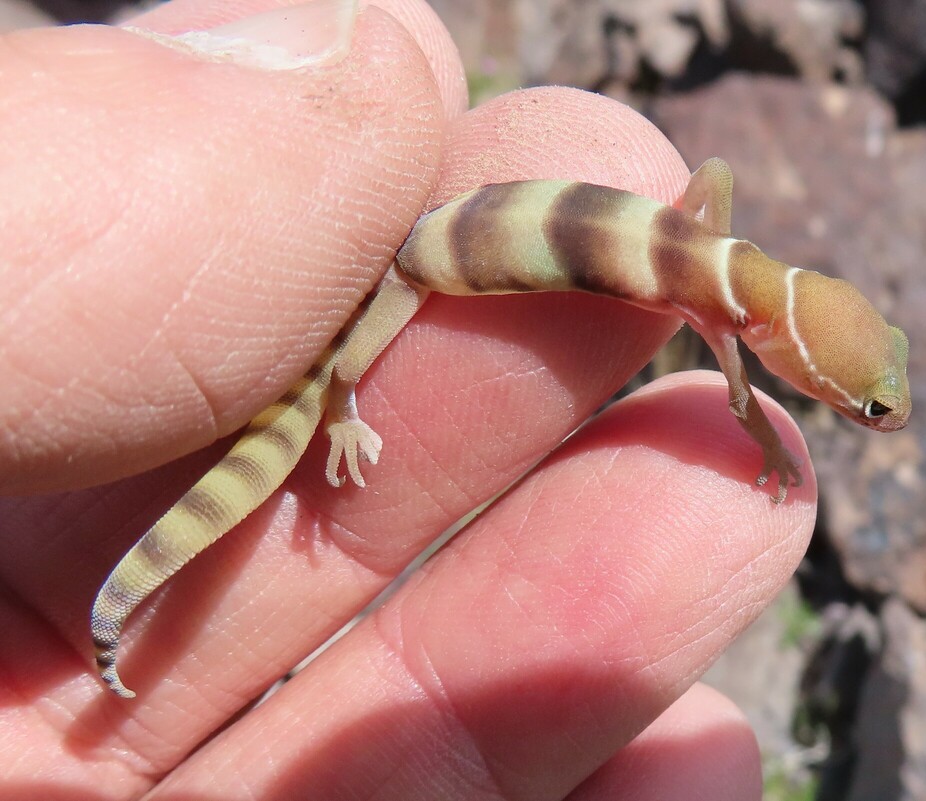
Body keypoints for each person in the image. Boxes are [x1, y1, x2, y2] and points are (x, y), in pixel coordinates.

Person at [0, 1, 814, 797]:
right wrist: (343, 413)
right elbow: (743, 407)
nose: (867, 418)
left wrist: (706, 231)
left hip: (460, 219)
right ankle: (125, 596)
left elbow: (714, 175)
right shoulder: (725, 325)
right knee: (311, 406)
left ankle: (117, 609)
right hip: (414, 266)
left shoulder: (719, 270)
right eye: (869, 408)